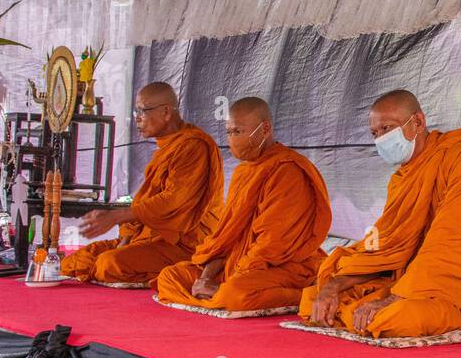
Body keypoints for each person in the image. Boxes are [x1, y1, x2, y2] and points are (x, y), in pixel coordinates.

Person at [302, 89, 461, 337]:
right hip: (408, 280)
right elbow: (386, 245)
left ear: (417, 121)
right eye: (375, 133)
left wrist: (393, 298)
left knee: (389, 319)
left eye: (387, 128)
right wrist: (335, 285)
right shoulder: (402, 179)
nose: (381, 139)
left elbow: (447, 243)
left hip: (454, 289)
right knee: (314, 298)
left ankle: (380, 309)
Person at [155, 97, 330, 312]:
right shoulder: (243, 172)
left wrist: (232, 278)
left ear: (264, 129)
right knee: (169, 277)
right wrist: (206, 276)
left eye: (237, 132)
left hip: (280, 266)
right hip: (234, 263)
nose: (231, 139)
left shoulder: (288, 171)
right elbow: (225, 237)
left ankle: (304, 295)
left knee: (234, 294)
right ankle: (214, 296)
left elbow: (272, 246)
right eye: (228, 132)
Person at [62, 82, 221, 285]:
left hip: (184, 242)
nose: (137, 118)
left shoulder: (194, 146)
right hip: (149, 236)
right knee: (74, 262)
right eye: (136, 111)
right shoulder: (168, 147)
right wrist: (126, 240)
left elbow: (173, 201)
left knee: (108, 264)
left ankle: (184, 272)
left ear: (166, 112)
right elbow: (146, 199)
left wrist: (116, 216)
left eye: (143, 111)